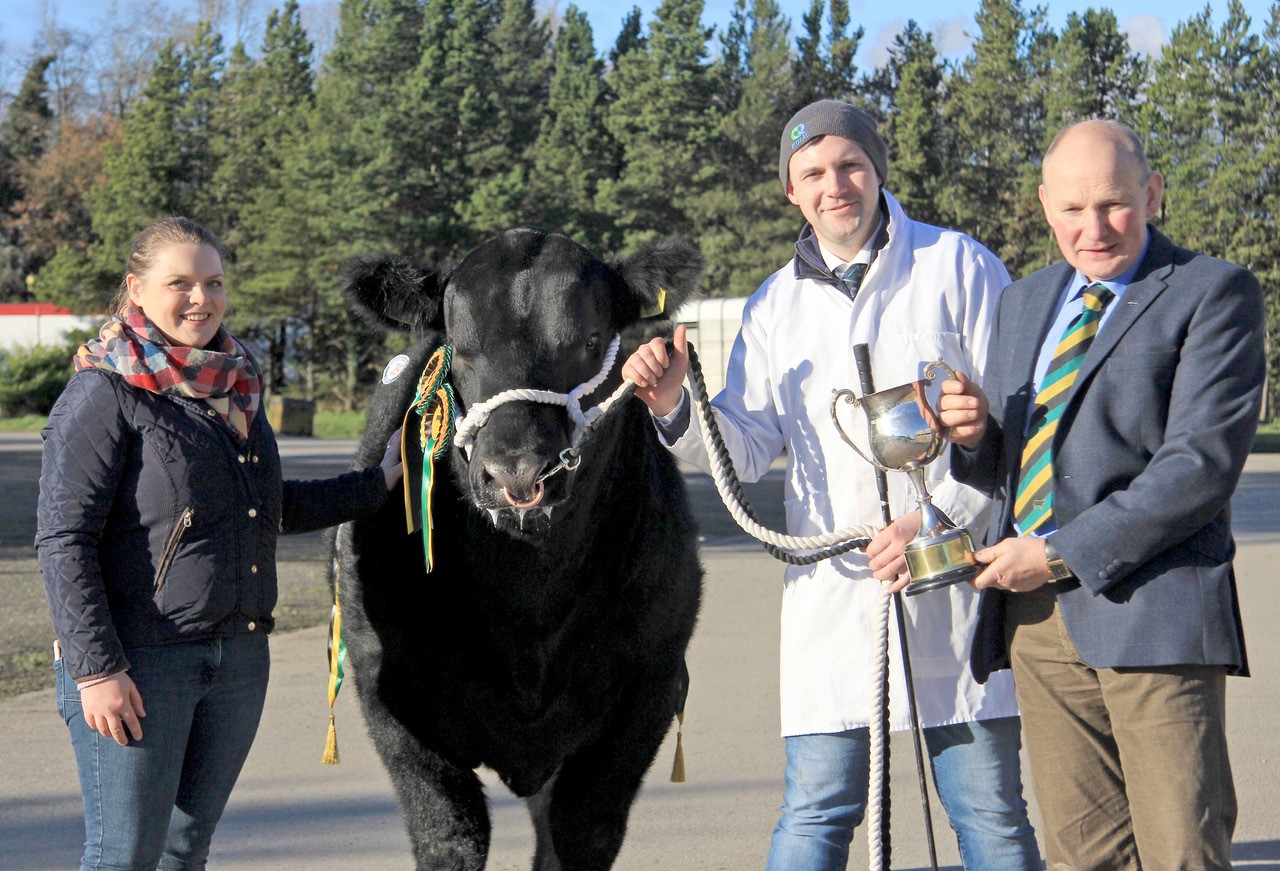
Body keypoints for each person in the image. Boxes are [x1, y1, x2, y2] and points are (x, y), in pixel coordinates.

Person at [623, 100, 1040, 869]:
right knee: (816, 813)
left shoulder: (960, 266)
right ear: (791, 191)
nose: (833, 184)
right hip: (835, 602)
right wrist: (675, 403)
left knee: (991, 817)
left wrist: (939, 516)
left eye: (849, 164)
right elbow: (745, 450)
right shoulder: (773, 306)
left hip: (952, 585)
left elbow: (1015, 427)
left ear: (878, 167)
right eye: (811, 172)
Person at [940, 119, 1265, 870]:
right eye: (1073, 208)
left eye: (1114, 204)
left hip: (1153, 615)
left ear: (1152, 194)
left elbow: (1198, 466)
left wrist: (1056, 553)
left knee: (1181, 849)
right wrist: (972, 438)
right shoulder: (1023, 302)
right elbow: (1025, 460)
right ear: (1045, 205)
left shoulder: (1214, 292)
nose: (1094, 227)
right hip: (1039, 625)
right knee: (1081, 857)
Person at [35, 216, 404, 871]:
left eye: (213, 281)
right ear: (135, 289)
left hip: (236, 657)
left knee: (185, 851)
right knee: (123, 855)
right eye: (179, 282)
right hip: (139, 664)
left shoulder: (234, 388)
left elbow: (261, 507)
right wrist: (96, 669)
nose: (201, 297)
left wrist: (375, 484)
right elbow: (64, 539)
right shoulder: (105, 389)